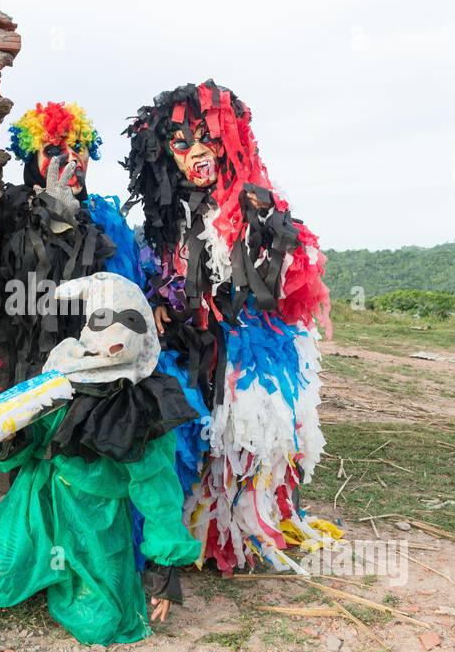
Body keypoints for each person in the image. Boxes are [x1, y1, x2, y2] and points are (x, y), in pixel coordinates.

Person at [123, 81, 341, 575]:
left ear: (231, 141)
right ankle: (198, 531)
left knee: (250, 436)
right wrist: (161, 299)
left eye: (207, 137)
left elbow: (291, 281)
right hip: (188, 343)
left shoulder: (257, 206)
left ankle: (241, 531)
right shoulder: (167, 217)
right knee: (193, 432)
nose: (196, 150)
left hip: (251, 346)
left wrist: (266, 234)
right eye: (180, 142)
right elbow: (164, 271)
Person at [0, 273, 202, 644]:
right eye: (105, 319)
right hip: (41, 499)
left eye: (131, 320)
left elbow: (157, 490)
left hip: (97, 522)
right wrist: (7, 440)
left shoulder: (141, 404)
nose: (117, 337)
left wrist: (162, 569)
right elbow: (32, 443)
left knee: (102, 624)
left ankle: (69, 573)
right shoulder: (62, 376)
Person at [0, 102, 143, 383]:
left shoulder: (106, 217)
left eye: (79, 146)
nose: (71, 158)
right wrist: (54, 218)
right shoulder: (18, 210)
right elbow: (26, 295)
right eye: (54, 151)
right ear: (32, 160)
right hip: (46, 365)